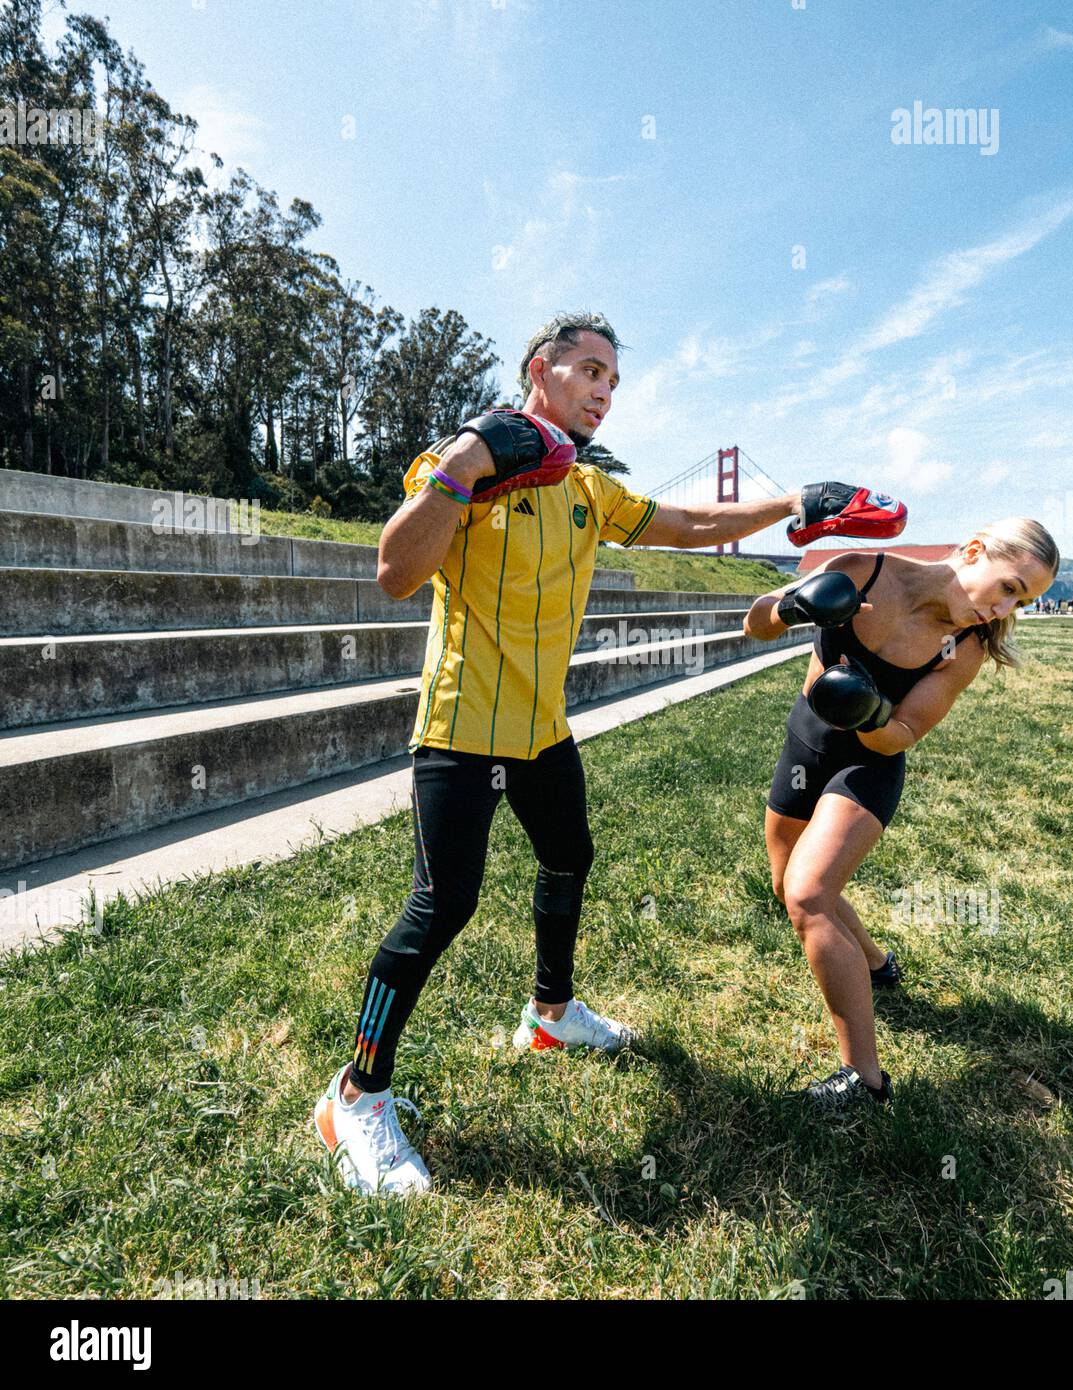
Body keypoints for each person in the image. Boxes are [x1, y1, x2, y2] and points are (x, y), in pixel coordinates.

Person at [311, 311, 902, 1195]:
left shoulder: (587, 490)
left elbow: (690, 521)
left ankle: (549, 1014)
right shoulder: (466, 454)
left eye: (614, 381)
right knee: (443, 906)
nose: (604, 392)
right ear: (538, 373)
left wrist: (791, 505)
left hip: (542, 730)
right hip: (462, 729)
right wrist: (470, 461)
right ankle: (356, 1096)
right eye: (589, 371)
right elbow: (396, 569)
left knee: (568, 856)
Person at [743, 518, 1059, 1115]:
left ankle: (865, 1080)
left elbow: (904, 733)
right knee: (789, 883)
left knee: (808, 895)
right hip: (803, 746)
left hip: (868, 765)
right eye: (1010, 585)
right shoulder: (868, 570)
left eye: (1022, 600)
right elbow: (753, 624)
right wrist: (791, 606)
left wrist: (867, 712)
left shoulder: (966, 648)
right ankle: (877, 963)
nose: (1004, 608)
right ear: (973, 552)